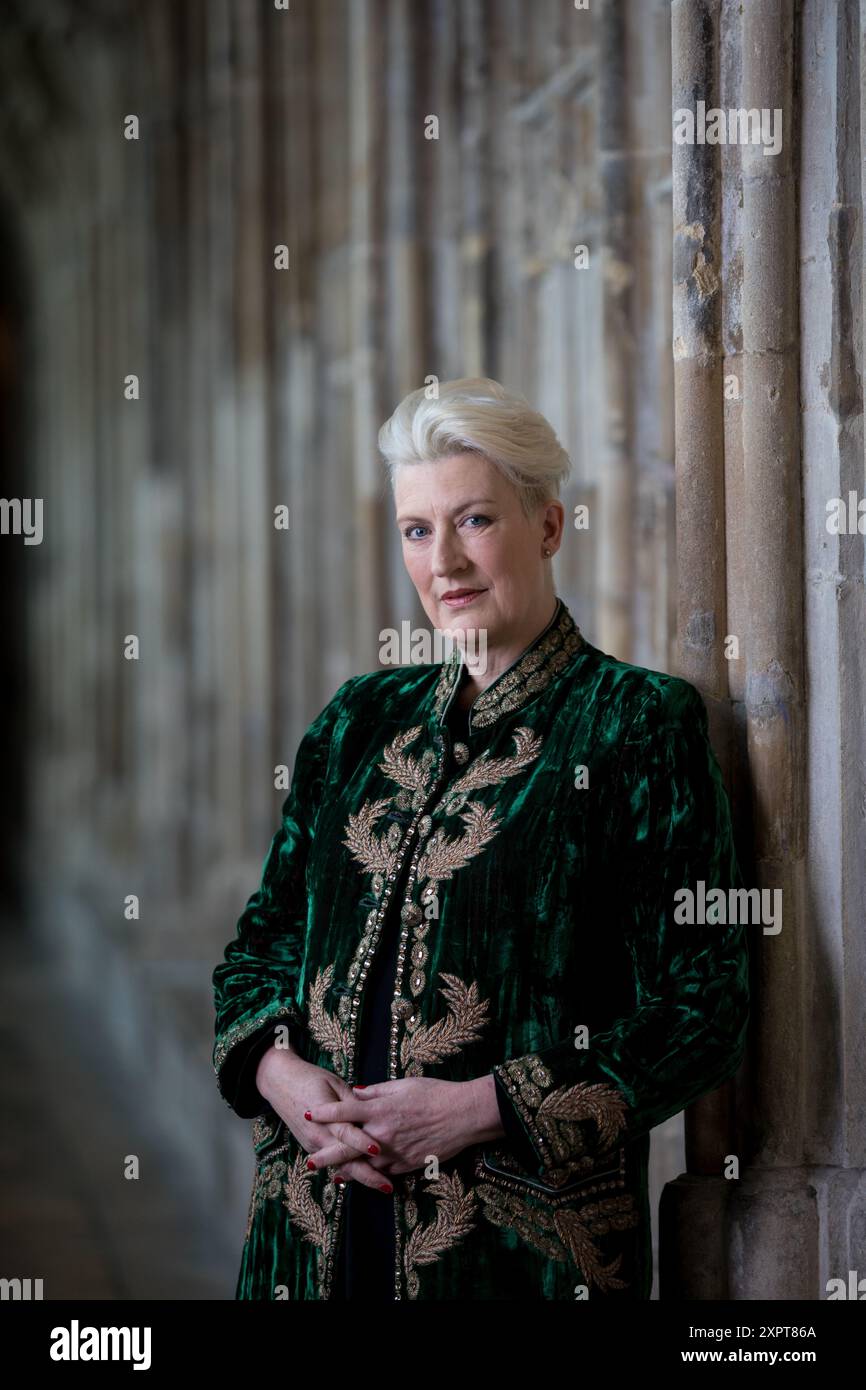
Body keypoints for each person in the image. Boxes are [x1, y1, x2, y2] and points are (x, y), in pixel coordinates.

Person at [211, 376, 750, 1301]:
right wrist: (279, 1072)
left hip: (519, 1254)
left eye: (475, 521)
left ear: (548, 526)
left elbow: (703, 1003)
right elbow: (262, 949)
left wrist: (480, 1108)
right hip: (309, 1232)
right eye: (418, 530)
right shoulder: (355, 722)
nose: (445, 563)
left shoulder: (636, 723)